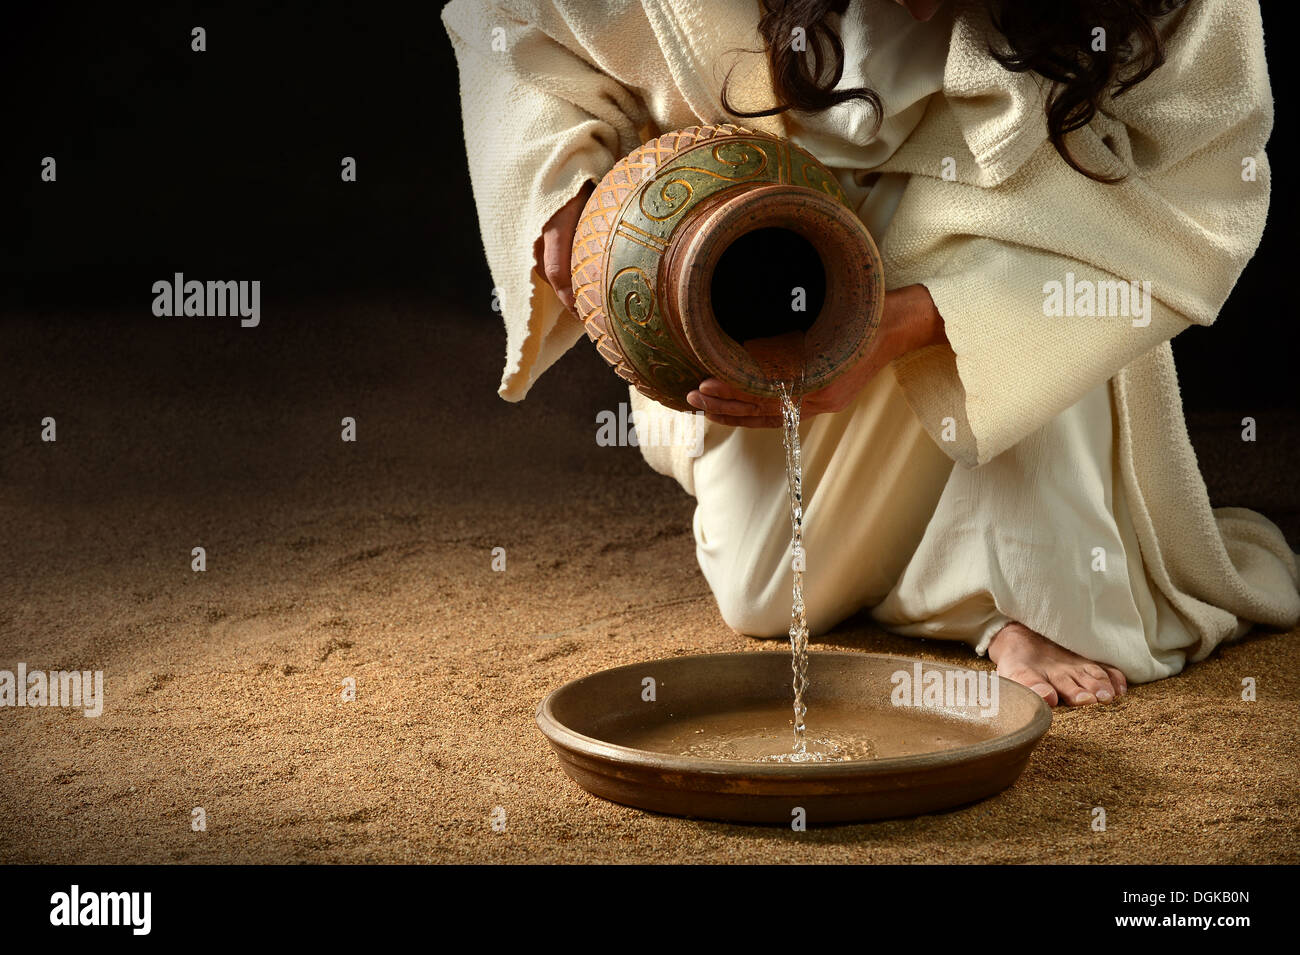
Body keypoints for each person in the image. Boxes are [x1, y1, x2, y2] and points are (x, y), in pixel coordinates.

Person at [443, 0, 1299, 705]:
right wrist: (561, 189)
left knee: (1069, 200)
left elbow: (1205, 176)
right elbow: (510, 26)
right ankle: (930, 561)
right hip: (763, 231)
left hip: (1021, 231)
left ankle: (1013, 589)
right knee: (769, 593)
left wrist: (902, 324)